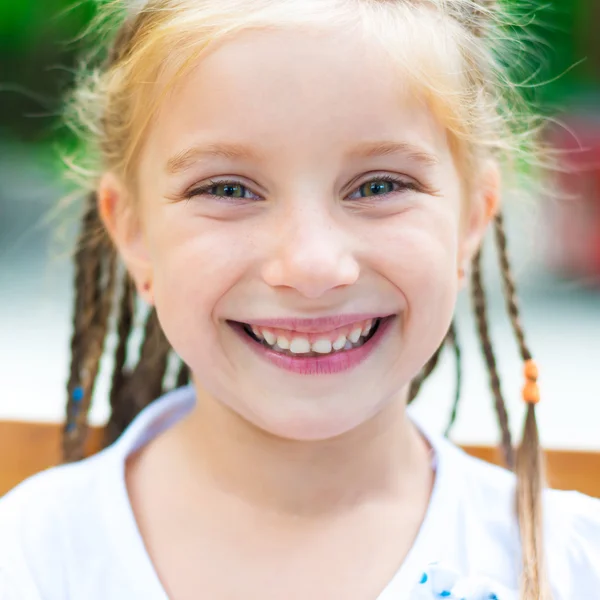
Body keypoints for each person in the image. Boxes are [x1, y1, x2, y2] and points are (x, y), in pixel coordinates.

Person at [0, 0, 598, 598]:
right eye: (228, 188)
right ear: (133, 233)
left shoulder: (571, 565)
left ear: (471, 220)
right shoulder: (30, 560)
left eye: (379, 185)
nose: (312, 267)